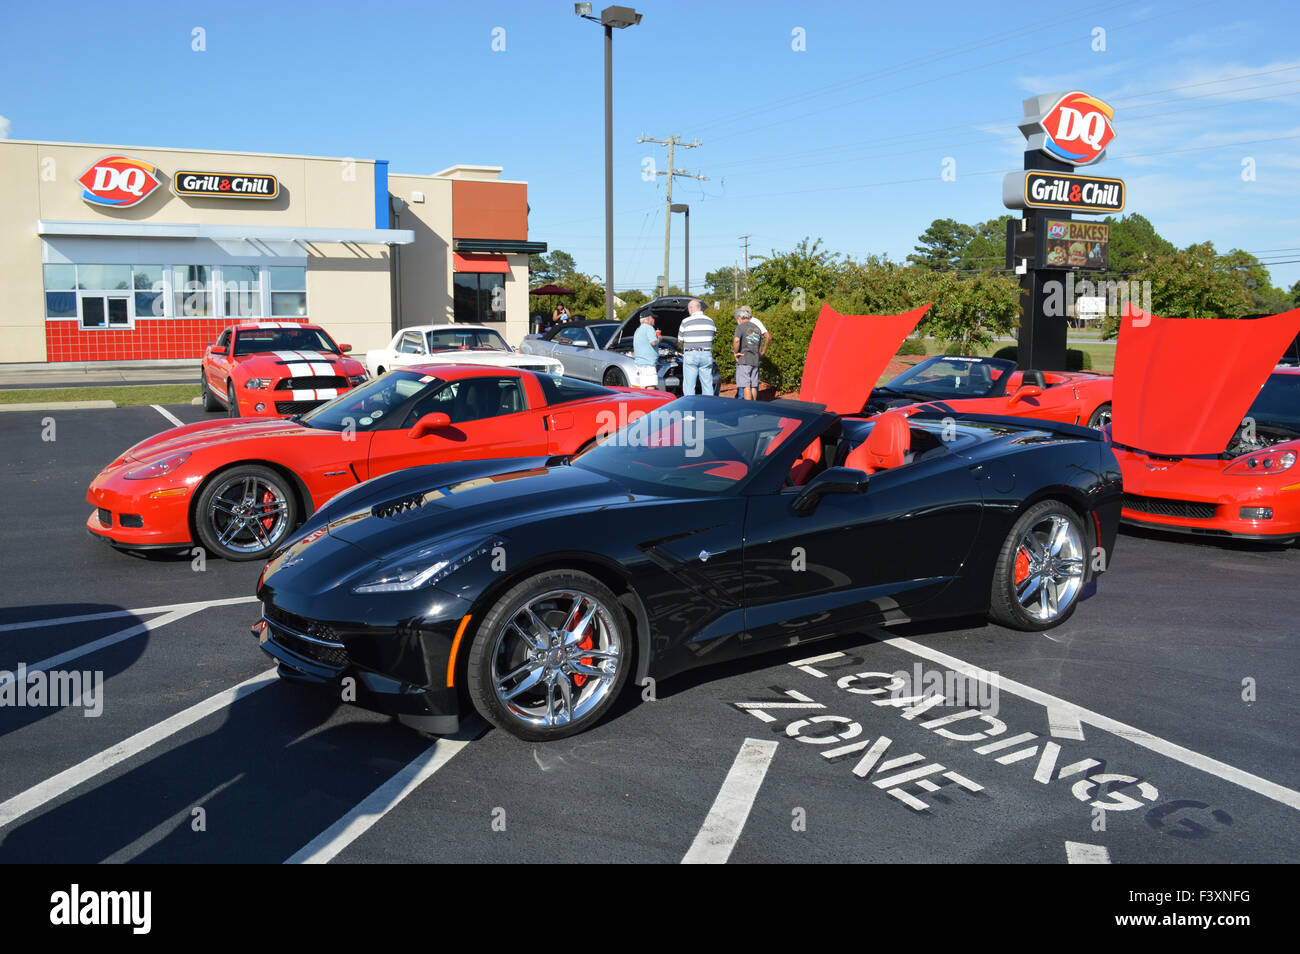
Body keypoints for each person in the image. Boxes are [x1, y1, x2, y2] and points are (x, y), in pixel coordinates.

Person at [678, 299, 716, 395]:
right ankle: (709, 408)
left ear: (691, 308)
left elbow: (680, 340)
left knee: (689, 386)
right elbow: (712, 337)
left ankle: (690, 408)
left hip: (691, 354)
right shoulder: (710, 321)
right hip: (706, 354)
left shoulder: (685, 321)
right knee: (707, 384)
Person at [733, 306, 767, 400]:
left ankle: (749, 410)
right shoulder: (757, 328)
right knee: (753, 386)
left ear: (740, 318)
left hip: (744, 359)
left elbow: (736, 341)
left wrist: (735, 353)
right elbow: (759, 345)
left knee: (746, 386)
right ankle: (754, 408)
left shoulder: (740, 327)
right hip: (755, 360)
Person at [632, 314, 661, 388]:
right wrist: (659, 338)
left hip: (640, 363)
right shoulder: (649, 328)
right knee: (651, 386)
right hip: (649, 364)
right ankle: (651, 400)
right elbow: (653, 342)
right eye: (653, 318)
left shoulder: (638, 330)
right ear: (647, 319)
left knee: (643, 387)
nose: (654, 320)